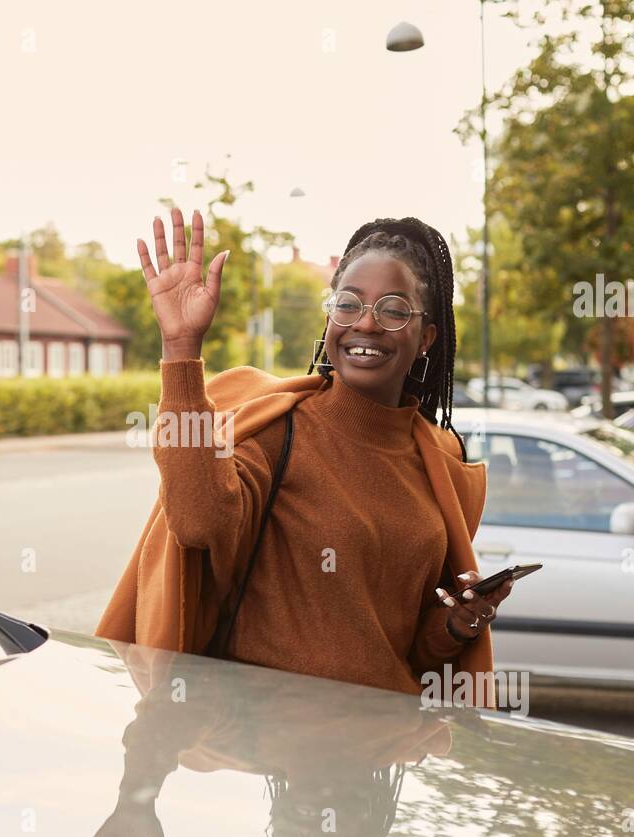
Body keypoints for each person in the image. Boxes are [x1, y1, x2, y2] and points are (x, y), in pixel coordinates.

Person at [97, 208, 514, 700]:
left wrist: (454, 626)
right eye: (349, 304)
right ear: (330, 317)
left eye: (394, 309)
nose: (367, 324)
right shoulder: (282, 429)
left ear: (425, 338)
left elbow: (410, 651)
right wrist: (180, 346)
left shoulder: (441, 464)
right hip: (273, 750)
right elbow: (197, 520)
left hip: (383, 754)